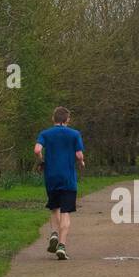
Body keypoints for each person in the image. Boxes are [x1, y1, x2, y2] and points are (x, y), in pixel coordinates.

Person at [34, 107, 85, 260]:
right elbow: (79, 154)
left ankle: (54, 234)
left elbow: (37, 149)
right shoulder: (74, 134)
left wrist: (41, 161)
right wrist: (81, 162)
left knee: (54, 208)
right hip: (68, 178)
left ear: (53, 118)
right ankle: (61, 246)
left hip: (51, 177)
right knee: (66, 212)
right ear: (67, 119)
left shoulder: (45, 134)